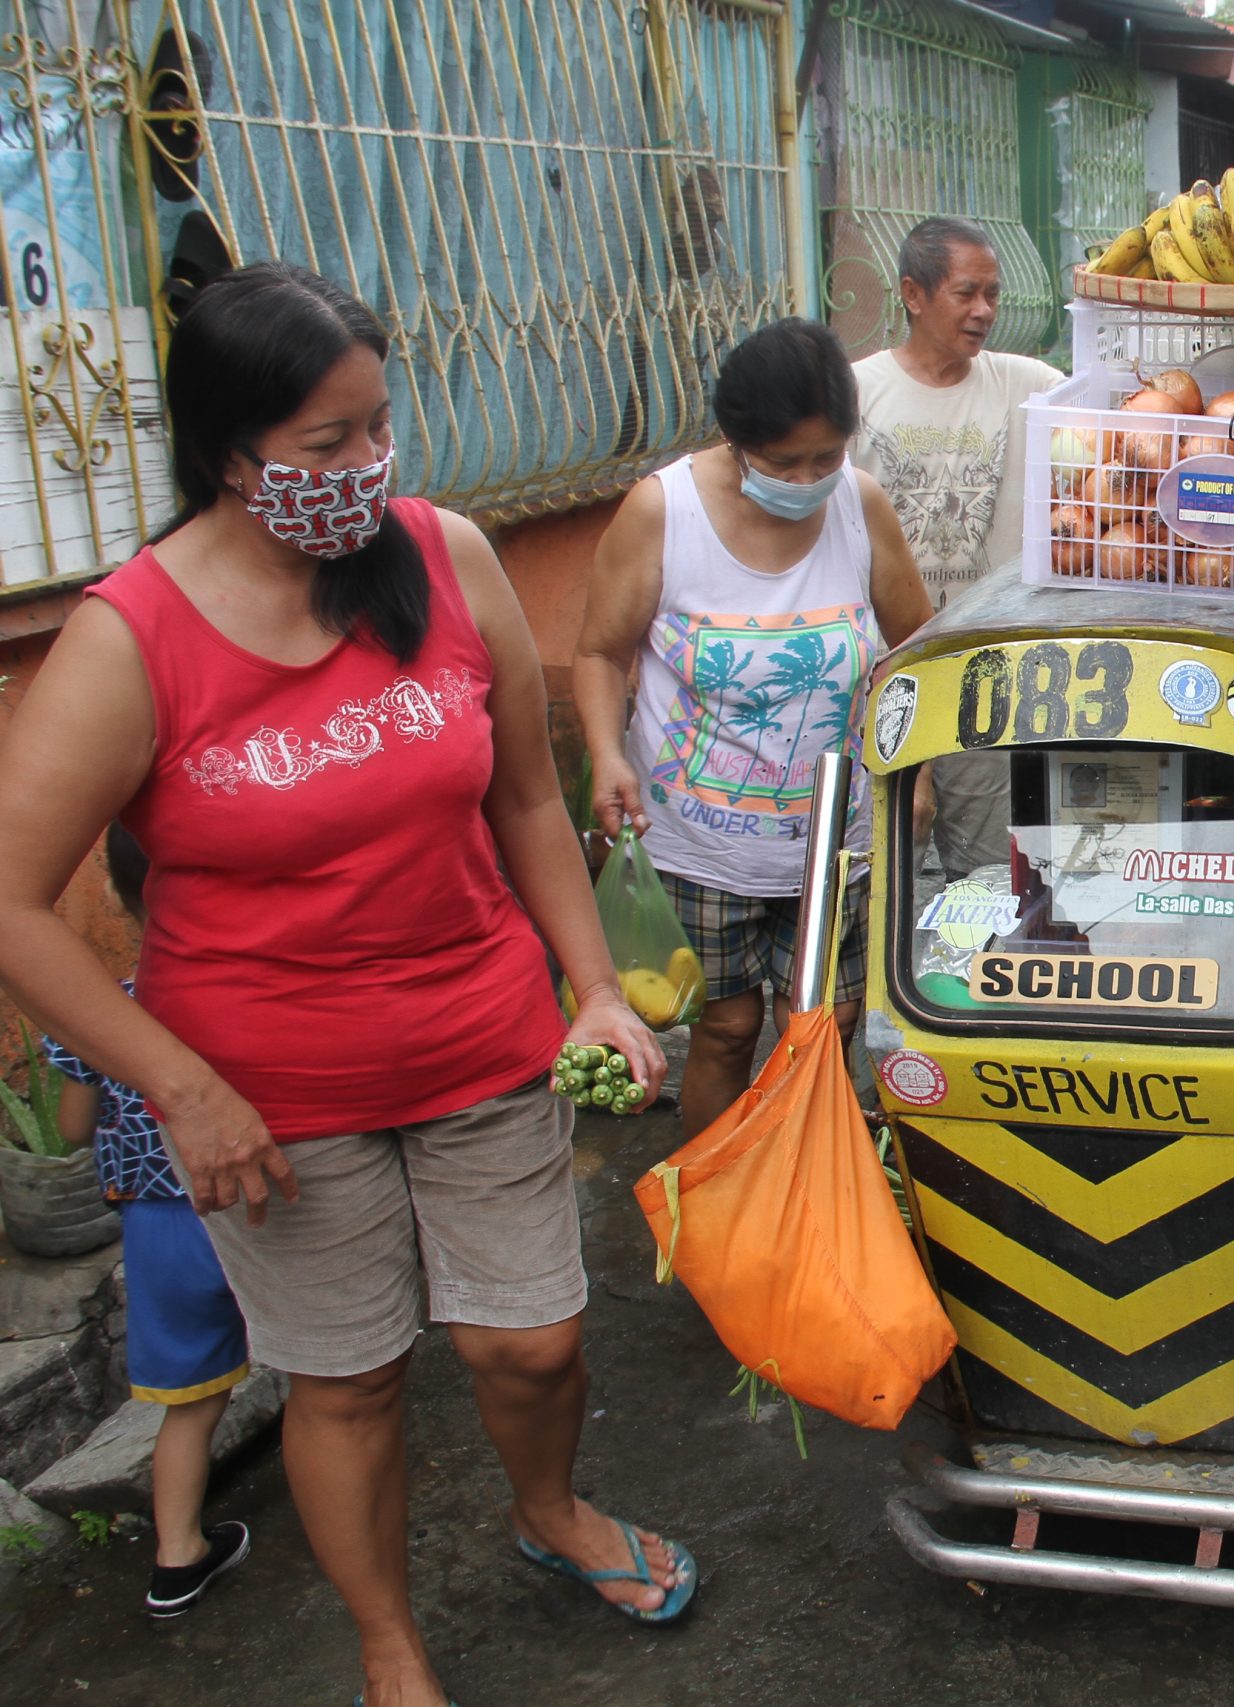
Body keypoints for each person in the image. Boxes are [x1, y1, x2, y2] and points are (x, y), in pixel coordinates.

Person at [0, 262, 688, 1707]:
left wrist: (598, 987)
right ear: (226, 450)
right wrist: (180, 1088)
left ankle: (548, 1506)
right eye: (326, 445)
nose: (367, 467)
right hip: (270, 1101)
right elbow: (12, 906)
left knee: (533, 1339)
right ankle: (390, 1643)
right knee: (349, 1381)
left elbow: (524, 803)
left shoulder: (444, 556)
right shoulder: (134, 637)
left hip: (481, 1032)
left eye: (379, 427)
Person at [578, 319, 931, 1136]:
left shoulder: (859, 505)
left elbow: (913, 650)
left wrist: (917, 773)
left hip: (837, 837)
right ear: (737, 442)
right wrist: (604, 755)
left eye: (827, 458)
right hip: (703, 845)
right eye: (785, 463)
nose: (810, 479)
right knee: (729, 1029)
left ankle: (802, 1199)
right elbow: (599, 651)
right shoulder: (662, 513)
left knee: (820, 1032)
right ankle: (713, 1203)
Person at [45, 824, 252, 1618]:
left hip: (158, 1230)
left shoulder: (97, 1015)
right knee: (330, 1377)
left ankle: (177, 1556)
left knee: (191, 1400)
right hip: (249, 1208)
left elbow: (68, 1129)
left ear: (113, 895)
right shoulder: (242, 1000)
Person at [850, 216, 1063, 877]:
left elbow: (1115, 413)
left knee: (984, 872)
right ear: (914, 294)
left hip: (985, 675)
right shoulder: (858, 392)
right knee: (875, 867)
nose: (984, 311)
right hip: (883, 677)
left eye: (993, 295)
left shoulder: (1027, 387)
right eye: (966, 293)